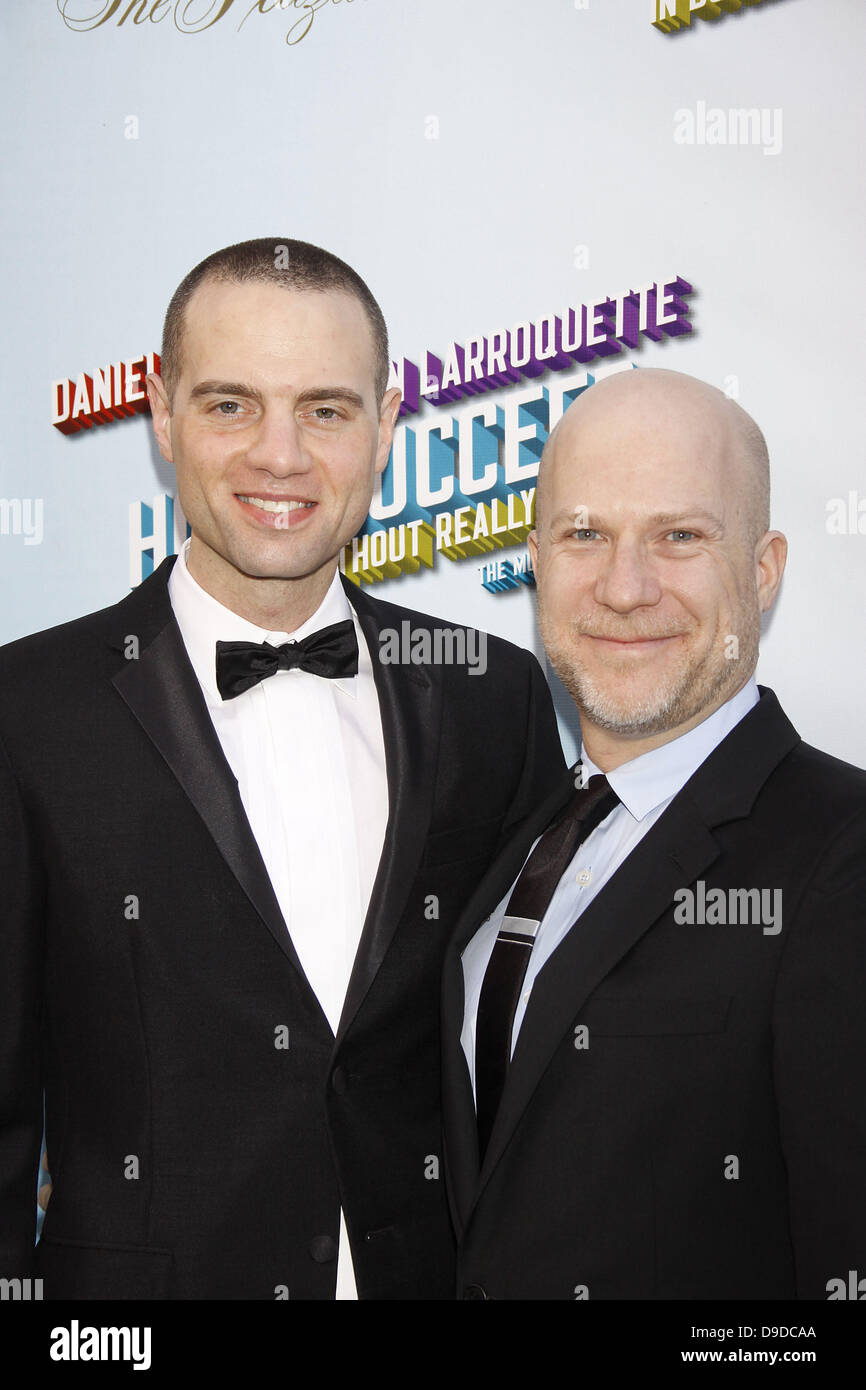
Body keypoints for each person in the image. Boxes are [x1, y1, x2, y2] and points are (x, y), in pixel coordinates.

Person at [0, 238, 565, 1299]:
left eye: (325, 409)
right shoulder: (26, 715)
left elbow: (532, 1067)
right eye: (229, 405)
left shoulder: (493, 697)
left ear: (386, 425)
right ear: (160, 414)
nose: (280, 456)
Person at [441, 367, 866, 1300]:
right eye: (585, 533)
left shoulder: (843, 854)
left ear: (762, 571)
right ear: (538, 562)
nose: (625, 588)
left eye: (679, 536)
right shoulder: (515, 840)